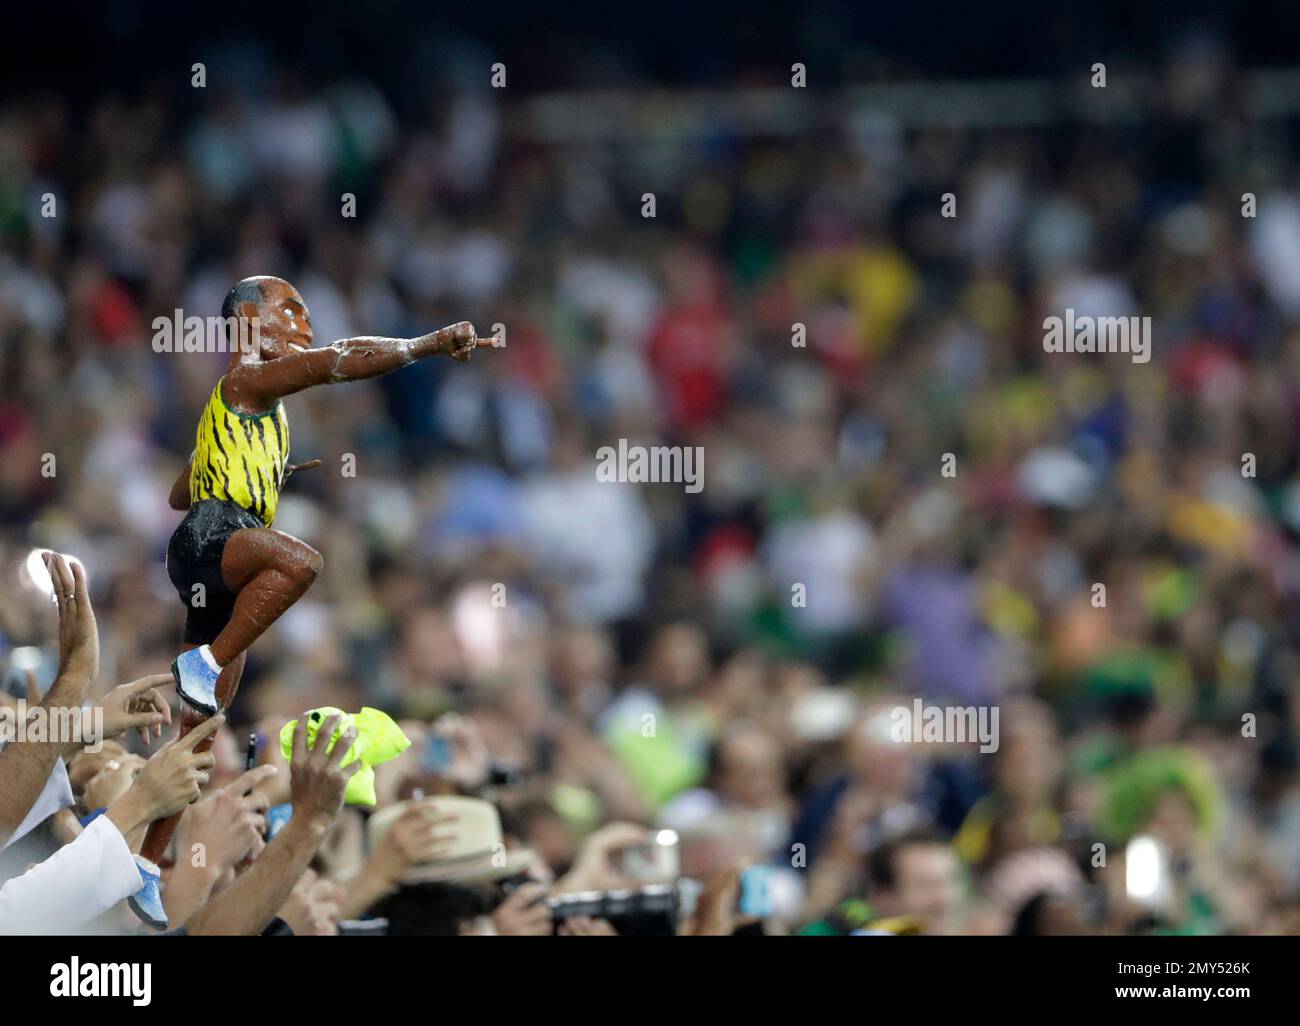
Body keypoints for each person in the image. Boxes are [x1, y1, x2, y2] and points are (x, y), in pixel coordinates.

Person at [134, 275, 490, 926]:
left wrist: (256, 467)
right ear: (248, 323)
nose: (304, 321)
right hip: (215, 536)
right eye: (290, 309)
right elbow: (338, 360)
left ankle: (148, 866)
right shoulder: (248, 378)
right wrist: (427, 345)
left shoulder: (249, 409)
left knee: (199, 735)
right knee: (302, 562)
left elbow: (179, 492)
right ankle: (203, 663)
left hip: (212, 543)